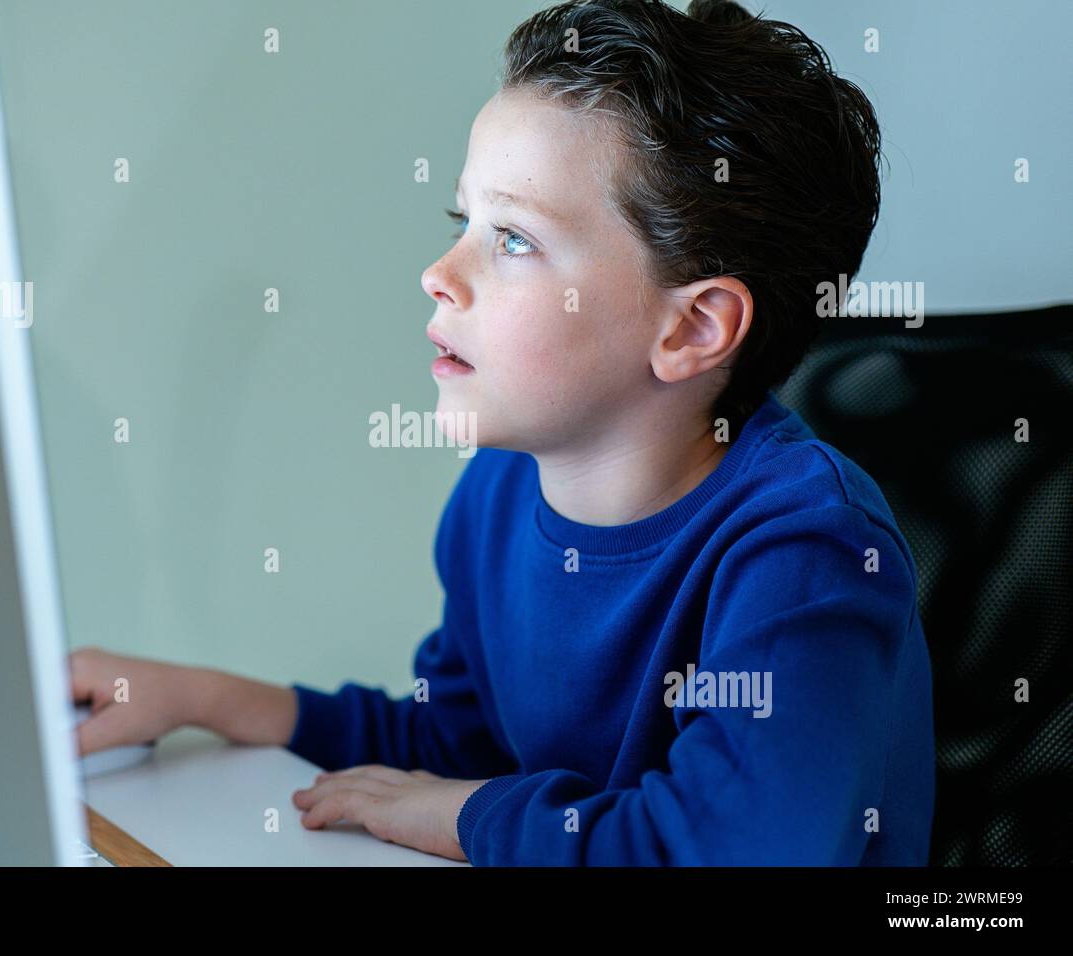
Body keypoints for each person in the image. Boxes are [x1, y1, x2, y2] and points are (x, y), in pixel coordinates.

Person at [70, 0, 935, 865]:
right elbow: (459, 750)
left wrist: (468, 817)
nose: (440, 274)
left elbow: (732, 849)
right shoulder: (500, 488)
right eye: (463, 224)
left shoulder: (805, 550)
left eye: (514, 239)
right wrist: (207, 697)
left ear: (692, 329)